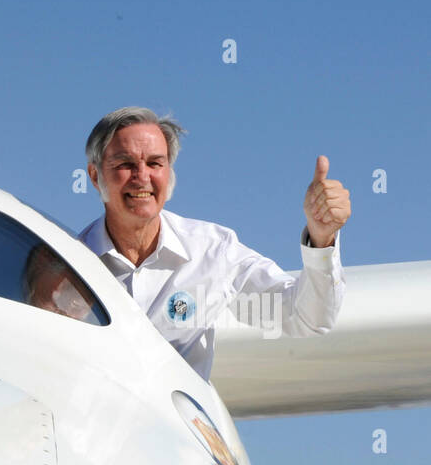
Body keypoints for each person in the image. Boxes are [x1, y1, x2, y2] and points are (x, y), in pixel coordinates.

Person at [78, 106, 351, 381]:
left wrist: (321, 239)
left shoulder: (212, 251)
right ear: (94, 175)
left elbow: (307, 318)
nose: (142, 176)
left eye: (155, 163)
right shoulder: (66, 265)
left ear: (169, 172)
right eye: (125, 164)